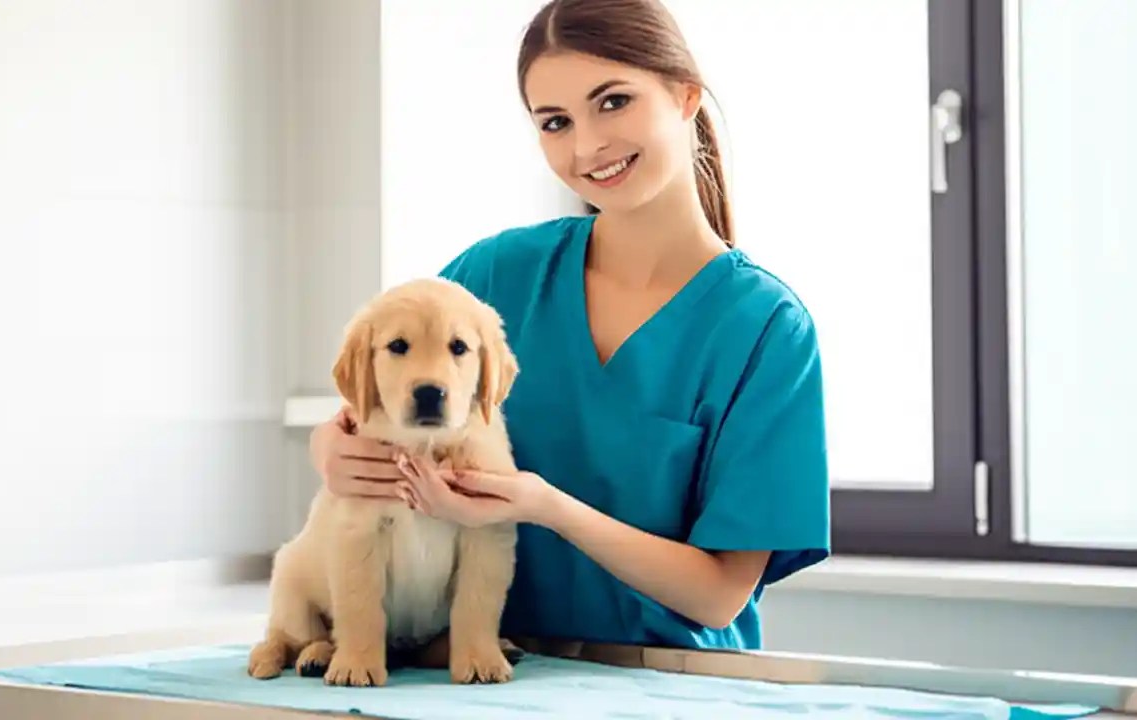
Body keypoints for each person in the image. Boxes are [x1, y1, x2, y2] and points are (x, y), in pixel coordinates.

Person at [310, 0, 830, 652]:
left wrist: (545, 507)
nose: (586, 146)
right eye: (555, 122)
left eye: (613, 102)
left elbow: (719, 595)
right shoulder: (495, 275)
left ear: (685, 95)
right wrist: (329, 451)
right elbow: (368, 414)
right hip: (484, 675)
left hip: (668, 687)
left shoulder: (766, 331)